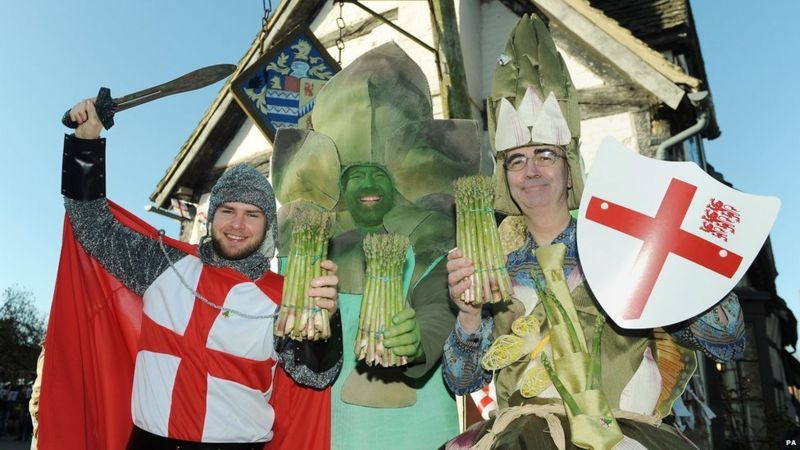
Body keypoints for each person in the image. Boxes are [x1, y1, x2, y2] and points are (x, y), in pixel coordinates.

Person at [442, 14, 745, 449]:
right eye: (516, 160)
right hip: (520, 437)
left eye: (545, 155)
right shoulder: (493, 264)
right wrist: (468, 315)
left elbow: (727, 340)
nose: (531, 171)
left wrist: (681, 268)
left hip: (626, 434)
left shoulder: (620, 244)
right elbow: (461, 380)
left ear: (570, 171)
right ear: (503, 176)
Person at [37, 98, 343, 450]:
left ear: (268, 226)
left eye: (252, 214)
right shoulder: (162, 264)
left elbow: (314, 375)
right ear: (212, 217)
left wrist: (326, 321)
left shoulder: (286, 297)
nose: (238, 225)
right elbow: (93, 226)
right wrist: (86, 144)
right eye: (228, 210)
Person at [268, 42, 492, 450]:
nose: (368, 187)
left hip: (415, 434)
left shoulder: (431, 244)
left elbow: (436, 313)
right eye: (356, 176)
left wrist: (415, 344)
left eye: (379, 176)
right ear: (336, 182)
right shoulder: (309, 252)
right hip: (327, 432)